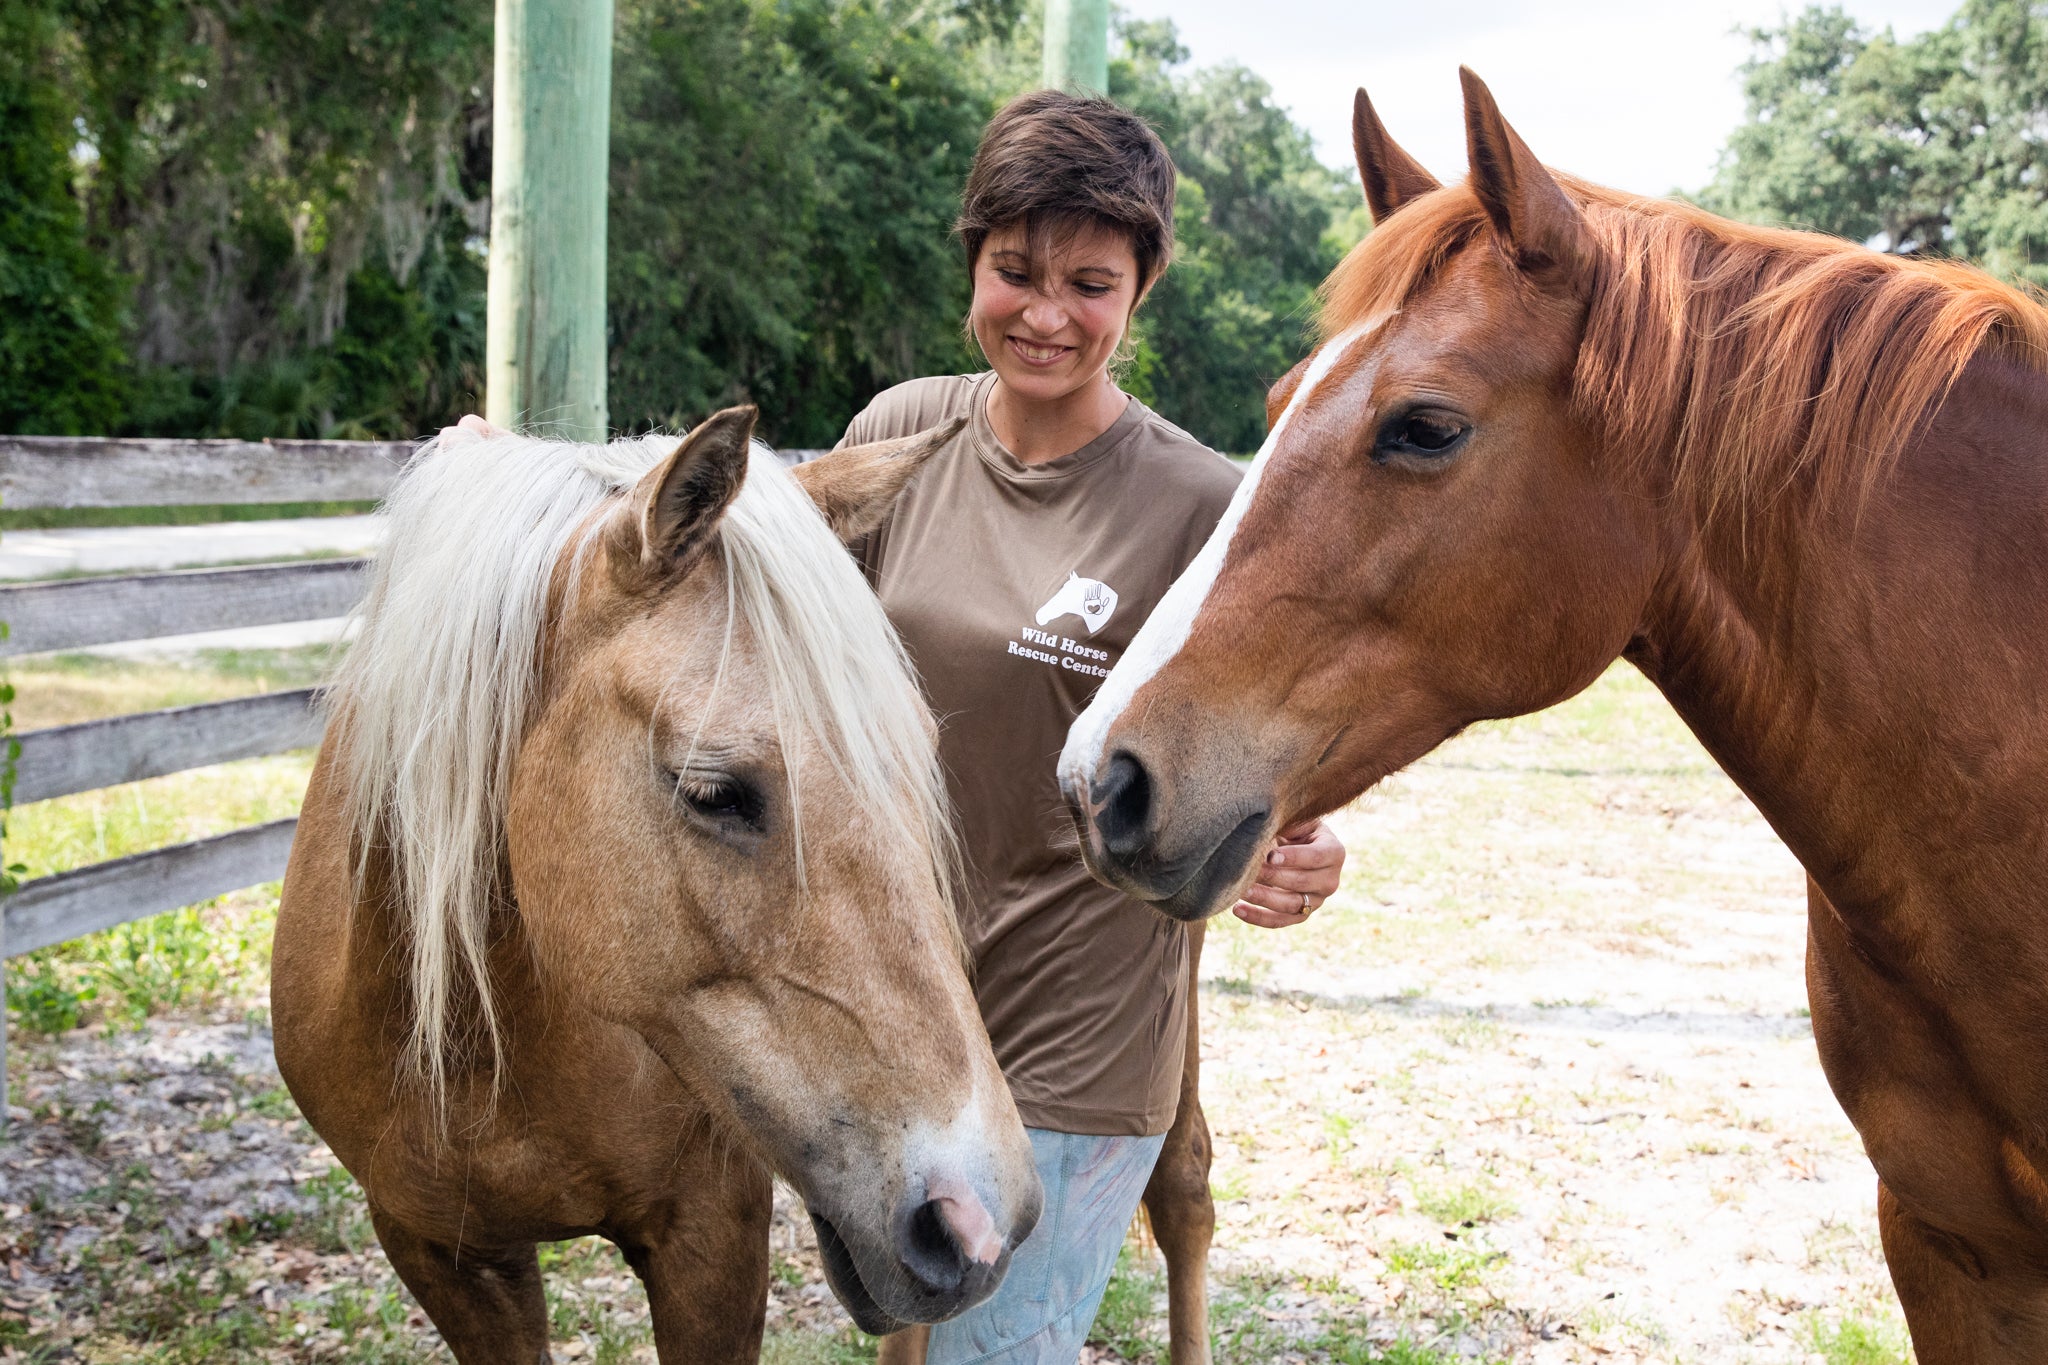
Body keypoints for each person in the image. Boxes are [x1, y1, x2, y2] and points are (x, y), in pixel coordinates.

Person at [836, 90, 1346, 1362]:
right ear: (972, 262)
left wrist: (1299, 845)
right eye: (1014, 271)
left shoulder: (1198, 509)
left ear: (1141, 289)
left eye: (1089, 282)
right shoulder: (899, 436)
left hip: (1078, 1025)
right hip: (895, 1006)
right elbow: (758, 627)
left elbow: (1271, 756)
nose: (1045, 314)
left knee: (996, 1353)